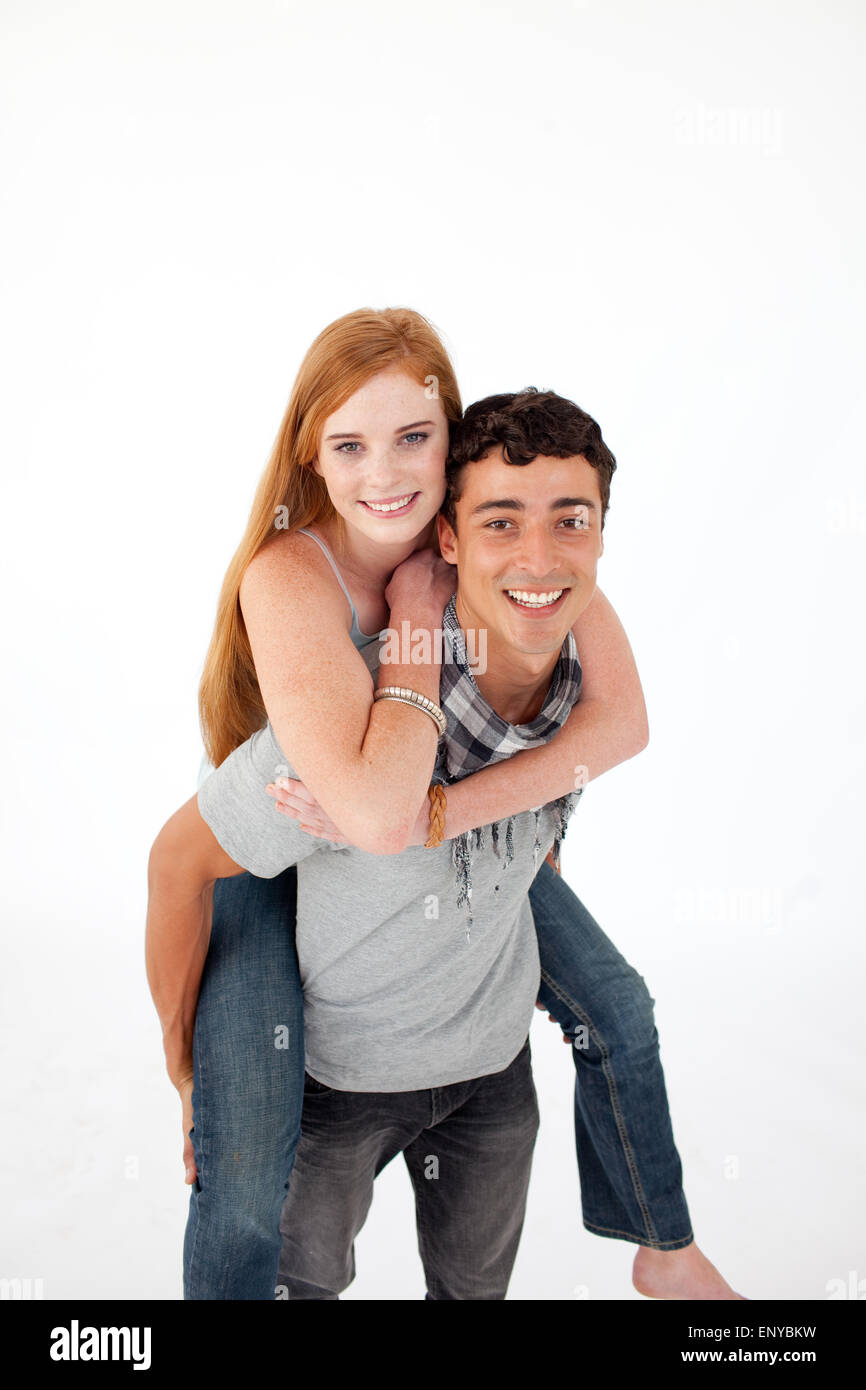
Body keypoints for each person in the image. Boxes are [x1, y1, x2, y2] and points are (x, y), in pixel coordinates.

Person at [146, 307, 740, 1300]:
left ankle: (663, 1249)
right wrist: (182, 1063)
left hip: (434, 836)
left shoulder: (504, 535)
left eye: (414, 437)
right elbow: (367, 815)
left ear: (451, 445)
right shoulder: (296, 577)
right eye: (349, 444)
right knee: (244, 1161)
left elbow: (602, 720)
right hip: (290, 832)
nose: (385, 472)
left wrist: (501, 842)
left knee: (617, 1008)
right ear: (312, 457)